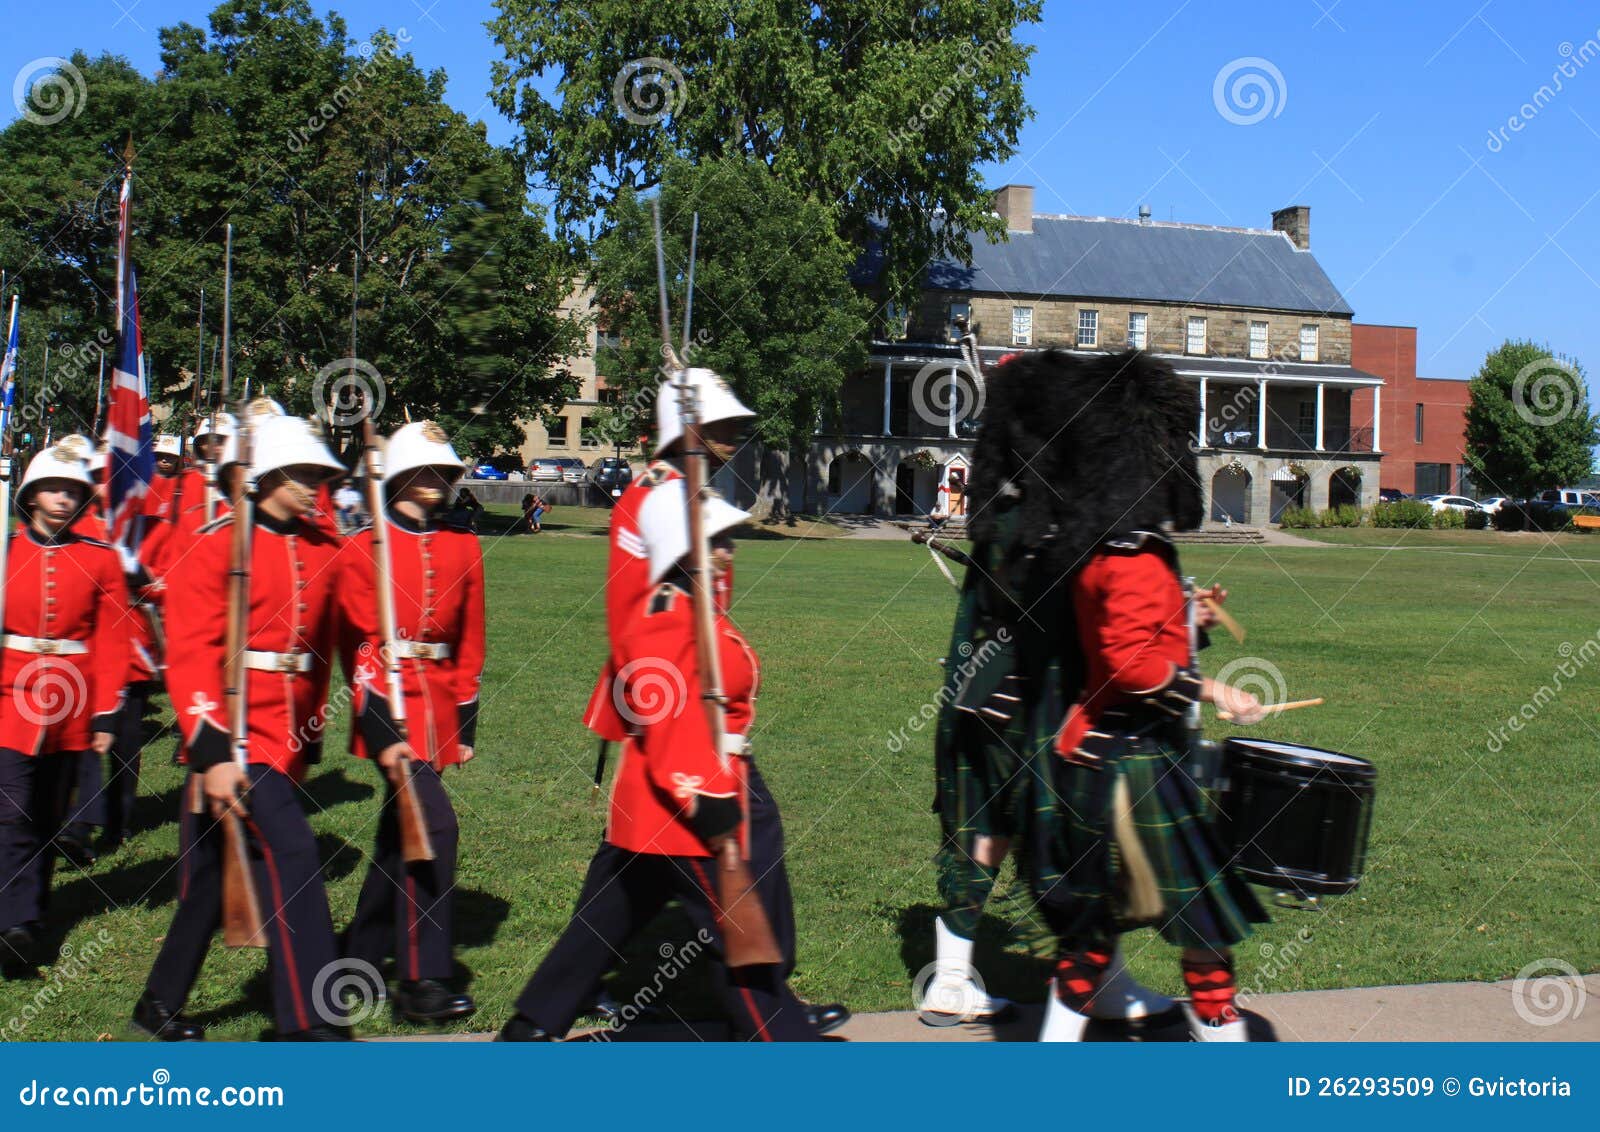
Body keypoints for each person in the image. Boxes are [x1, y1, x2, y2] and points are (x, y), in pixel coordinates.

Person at [961, 349, 1268, 1043]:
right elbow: (1128, 669)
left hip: (1105, 757)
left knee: (1094, 930)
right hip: (1127, 762)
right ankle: (1223, 1040)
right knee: (1203, 925)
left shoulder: (1111, 547)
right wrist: (1213, 686)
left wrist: (1190, 621)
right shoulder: (1127, 557)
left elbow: (1131, 641)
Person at [577, 369, 847, 1036]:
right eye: (719, 425)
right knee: (661, 853)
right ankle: (768, 1003)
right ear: (683, 429)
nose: (733, 435)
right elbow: (631, 612)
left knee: (632, 863)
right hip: (668, 700)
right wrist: (667, 697)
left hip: (696, 695)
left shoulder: (690, 492)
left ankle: (572, 990)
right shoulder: (653, 497)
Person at [500, 484, 819, 1041]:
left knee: (604, 922)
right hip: (686, 809)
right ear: (682, 548)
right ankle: (782, 1042)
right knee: (738, 935)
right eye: (716, 541)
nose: (729, 551)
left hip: (660, 807)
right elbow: (668, 721)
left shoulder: (693, 608)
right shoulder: (667, 619)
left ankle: (532, 1025)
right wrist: (711, 803)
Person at [134, 414, 353, 1041]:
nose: (315, 487)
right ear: (267, 476)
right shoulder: (217, 542)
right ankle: (307, 1020)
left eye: (320, 475)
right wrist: (211, 746)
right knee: (294, 853)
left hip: (287, 734)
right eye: (302, 474)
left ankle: (157, 1004)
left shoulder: (322, 549)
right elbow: (192, 650)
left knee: (209, 879)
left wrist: (322, 730)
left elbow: (335, 641)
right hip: (231, 734)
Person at [340, 421, 485, 1025]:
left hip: (439, 701)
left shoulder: (463, 546)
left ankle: (360, 957)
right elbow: (355, 646)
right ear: (398, 476)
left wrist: (467, 722)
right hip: (386, 703)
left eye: (444, 472)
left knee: (402, 835)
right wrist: (379, 723)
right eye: (425, 471)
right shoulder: (362, 549)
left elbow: (472, 639)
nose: (436, 483)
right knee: (435, 827)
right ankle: (422, 980)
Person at [0, 444, 130, 976]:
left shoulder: (100, 558)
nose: (63, 499)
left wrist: (105, 712)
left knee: (49, 814)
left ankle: (31, 906)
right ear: (30, 496)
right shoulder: (5, 551)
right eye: (55, 488)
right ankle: (16, 922)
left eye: (74, 491)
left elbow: (114, 638)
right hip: (10, 697)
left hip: (71, 703)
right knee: (11, 811)